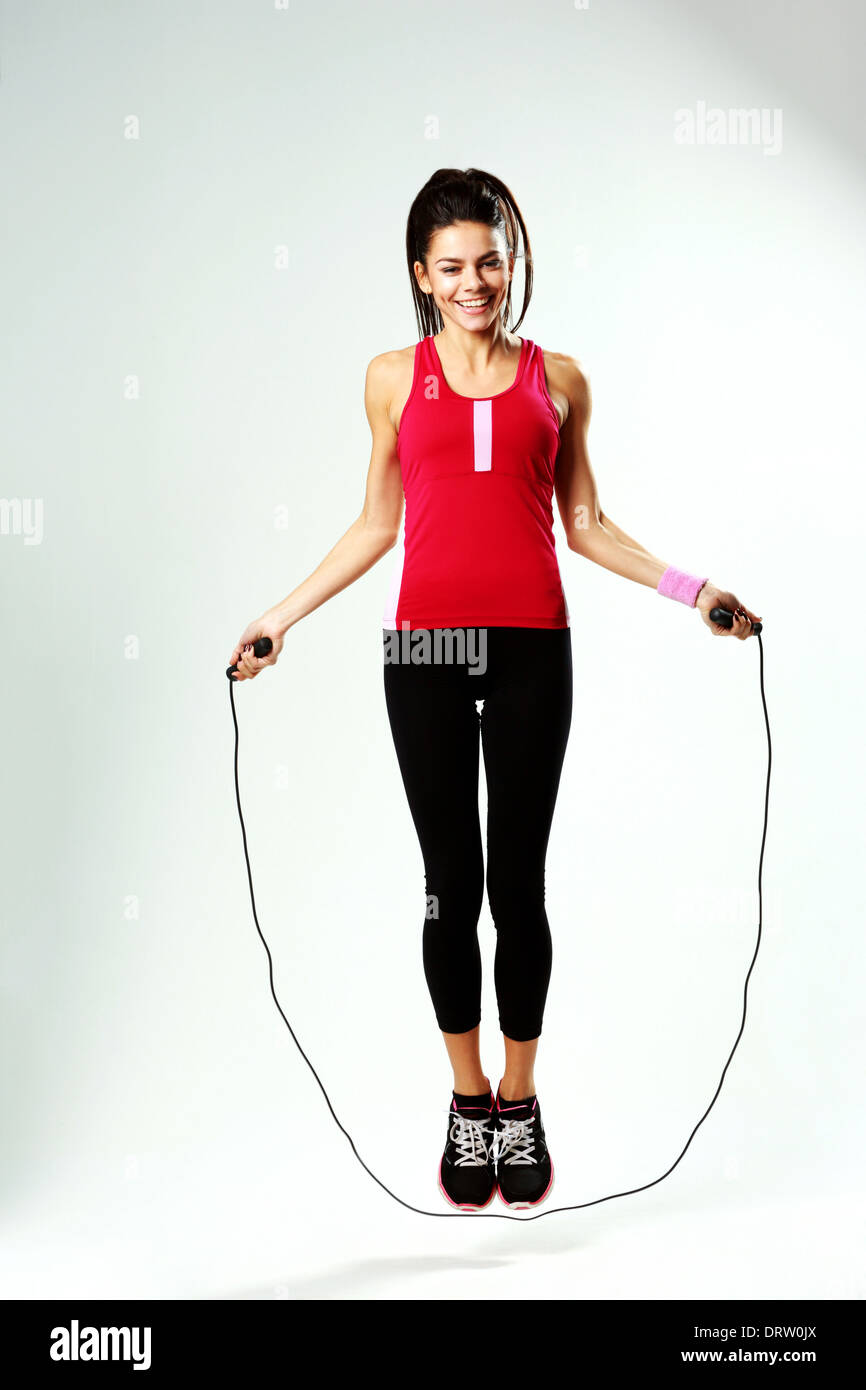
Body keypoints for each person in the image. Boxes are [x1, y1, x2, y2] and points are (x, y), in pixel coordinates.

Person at [228, 167, 762, 1213]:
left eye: (490, 260)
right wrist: (277, 617)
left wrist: (692, 590)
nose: (476, 281)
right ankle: (465, 1100)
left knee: (517, 889)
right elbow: (377, 523)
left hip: (529, 651)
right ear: (420, 277)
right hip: (424, 652)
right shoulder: (391, 378)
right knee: (447, 888)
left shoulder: (557, 379)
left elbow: (587, 524)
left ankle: (519, 1099)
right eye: (453, 267)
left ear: (508, 262)